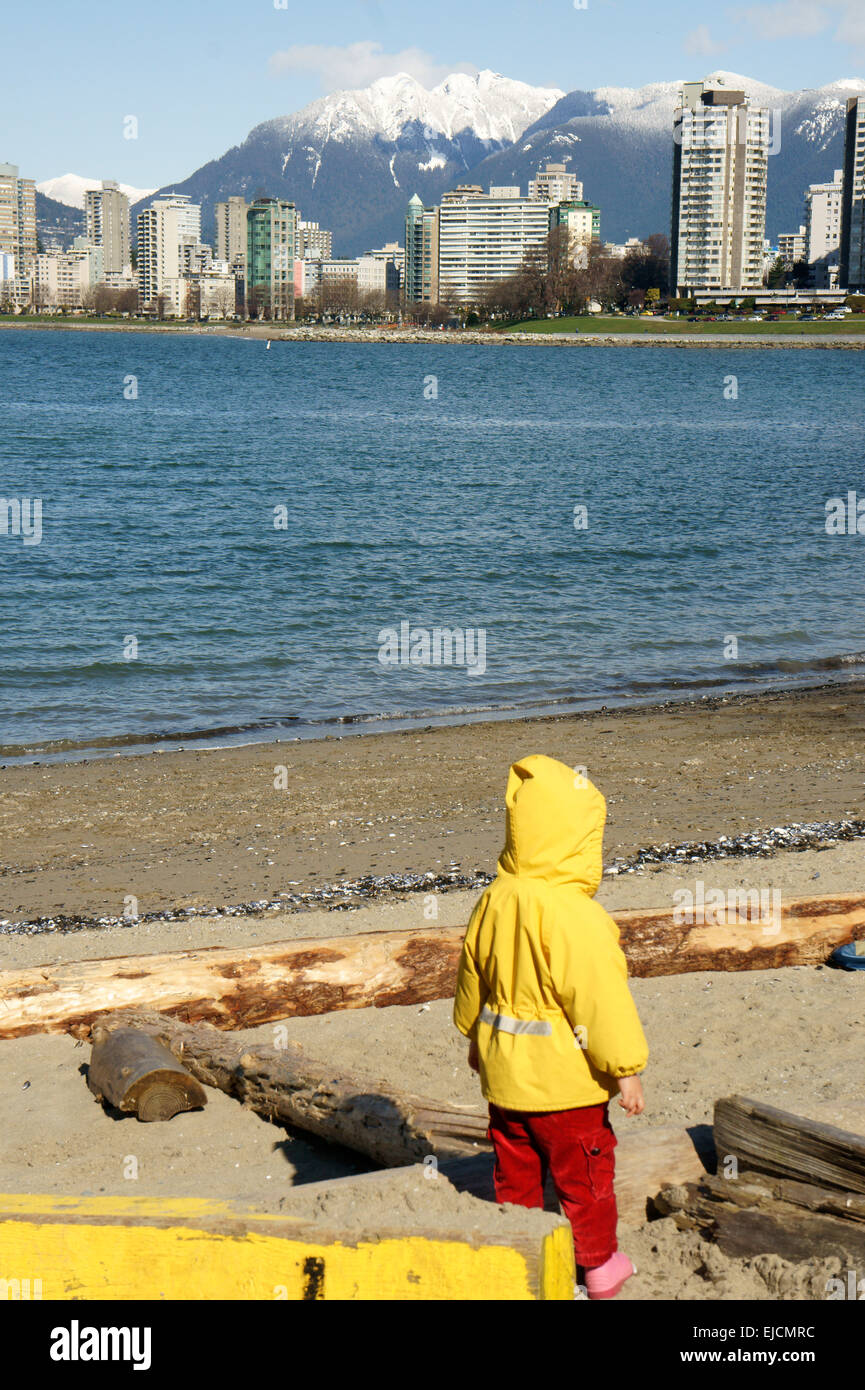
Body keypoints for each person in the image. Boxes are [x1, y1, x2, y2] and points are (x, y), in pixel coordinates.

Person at [453, 753, 648, 1299]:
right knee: (585, 1179)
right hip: (566, 1087)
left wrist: (472, 1035)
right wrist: (625, 1068)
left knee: (514, 1170)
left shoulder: (494, 898)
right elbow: (598, 1000)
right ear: (581, 838)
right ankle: (599, 1267)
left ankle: (522, 1257)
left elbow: (475, 972)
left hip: (505, 1077)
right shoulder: (574, 914)